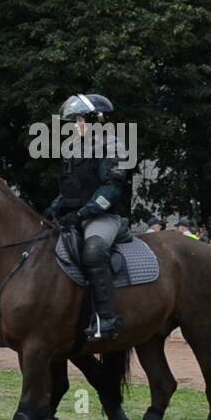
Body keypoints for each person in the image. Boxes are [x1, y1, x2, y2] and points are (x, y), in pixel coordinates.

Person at [43, 93, 130, 340]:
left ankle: (107, 319)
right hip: (77, 216)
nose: (76, 125)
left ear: (98, 121)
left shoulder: (113, 146)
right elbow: (69, 188)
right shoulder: (75, 148)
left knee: (93, 251)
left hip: (103, 217)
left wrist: (83, 212)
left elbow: (111, 189)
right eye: (75, 121)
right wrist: (55, 207)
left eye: (81, 120)